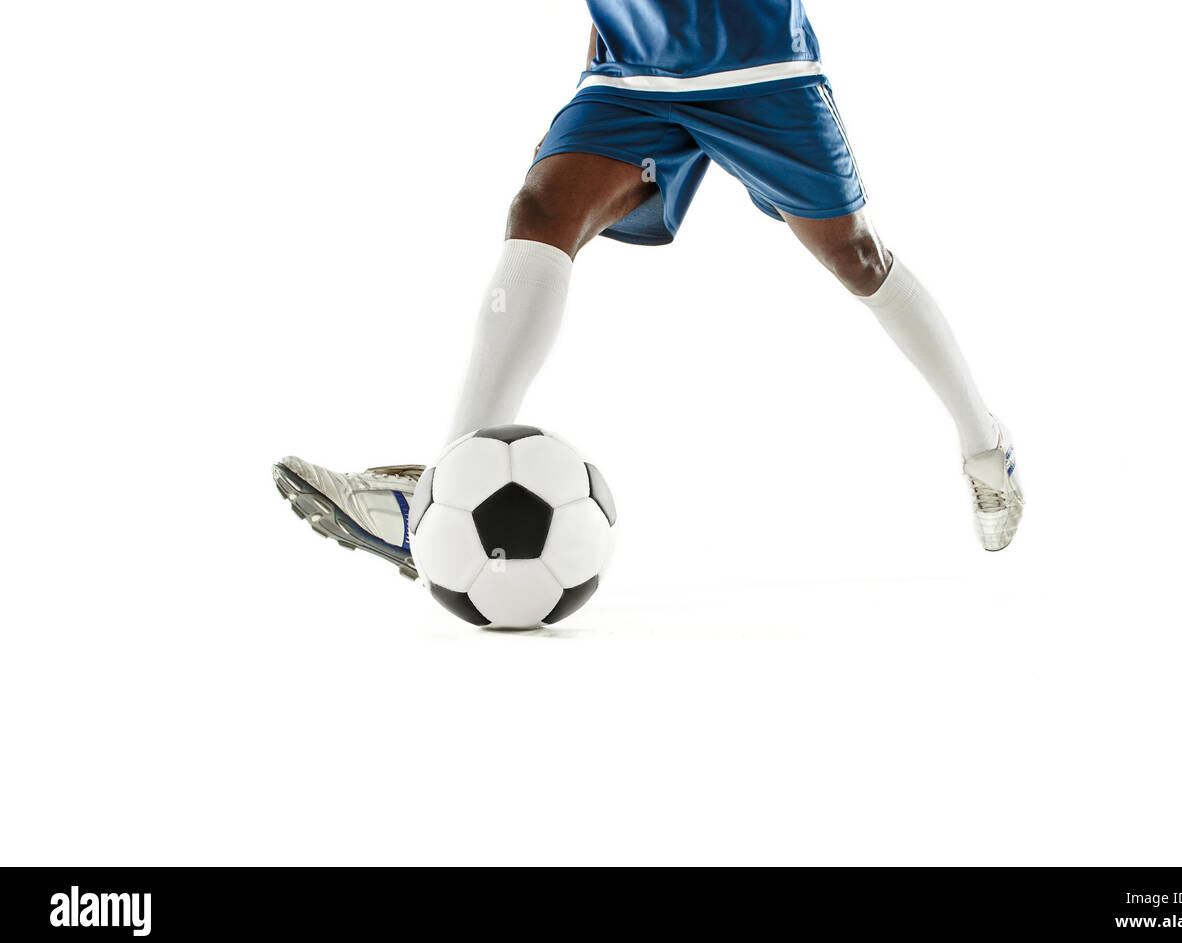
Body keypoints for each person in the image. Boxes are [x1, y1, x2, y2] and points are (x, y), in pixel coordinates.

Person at [273, 0, 1025, 579]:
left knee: (856, 256)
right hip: (631, 76)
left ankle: (985, 446)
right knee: (540, 211)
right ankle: (436, 498)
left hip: (759, 67)